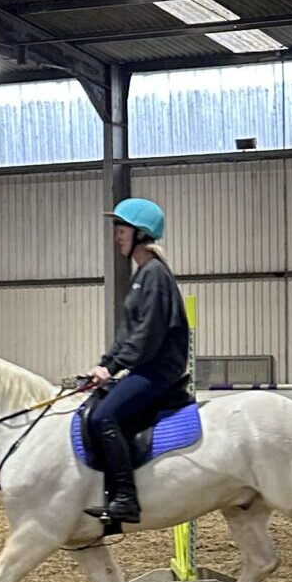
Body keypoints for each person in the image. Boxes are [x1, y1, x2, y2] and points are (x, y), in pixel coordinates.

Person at [84, 196, 191, 528]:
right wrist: (103, 364)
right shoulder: (141, 276)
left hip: (159, 370)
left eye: (122, 230)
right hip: (145, 367)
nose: (116, 237)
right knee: (96, 406)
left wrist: (113, 368)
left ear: (141, 234)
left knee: (104, 417)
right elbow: (126, 335)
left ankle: (126, 499)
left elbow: (146, 336)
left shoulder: (155, 275)